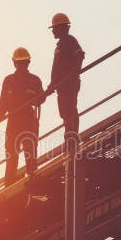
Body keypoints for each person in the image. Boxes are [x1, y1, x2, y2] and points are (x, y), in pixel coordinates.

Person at [0, 47, 45, 185]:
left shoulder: (34, 80)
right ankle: (9, 182)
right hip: (14, 121)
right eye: (20, 63)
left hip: (28, 119)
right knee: (11, 152)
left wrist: (33, 96)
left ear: (28, 63)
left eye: (24, 63)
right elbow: (3, 101)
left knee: (29, 151)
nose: (22, 65)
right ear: (15, 63)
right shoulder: (8, 81)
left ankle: (32, 176)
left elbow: (41, 98)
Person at [45, 12, 85, 148]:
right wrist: (50, 87)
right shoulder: (61, 45)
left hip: (69, 84)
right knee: (65, 112)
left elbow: (79, 55)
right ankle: (69, 138)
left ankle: (72, 139)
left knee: (69, 111)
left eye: (54, 28)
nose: (53, 32)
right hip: (62, 86)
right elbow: (57, 71)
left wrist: (73, 74)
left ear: (61, 28)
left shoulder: (69, 40)